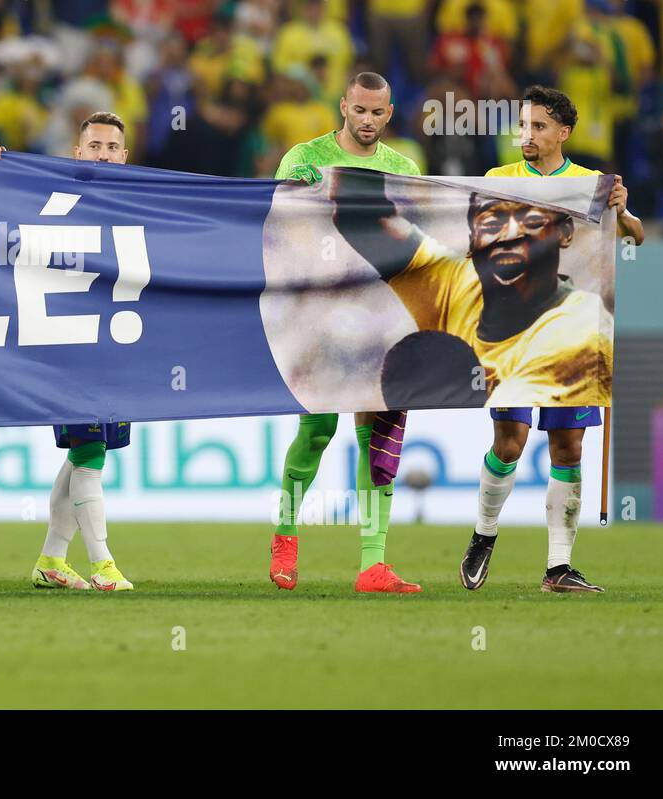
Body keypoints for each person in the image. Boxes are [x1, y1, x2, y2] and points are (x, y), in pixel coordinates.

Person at [460, 85, 643, 594]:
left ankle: (558, 569)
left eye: (538, 127)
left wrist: (623, 213)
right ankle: (484, 535)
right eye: (523, 126)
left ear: (563, 132)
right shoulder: (499, 180)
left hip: (574, 333)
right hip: (512, 334)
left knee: (568, 446)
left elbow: (636, 235)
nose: (527, 135)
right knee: (510, 442)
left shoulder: (590, 183)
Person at [270, 71, 424, 594]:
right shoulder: (304, 160)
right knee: (316, 432)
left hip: (382, 317)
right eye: (359, 110)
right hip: (316, 313)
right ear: (343, 106)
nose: (367, 120)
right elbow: (281, 227)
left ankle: (373, 565)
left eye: (377, 112)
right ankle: (286, 536)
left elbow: (415, 240)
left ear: (389, 113)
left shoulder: (404, 168)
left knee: (378, 438)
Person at [0, 113, 137, 592]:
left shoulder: (142, 201)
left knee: (86, 455)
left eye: (112, 147)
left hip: (115, 346)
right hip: (69, 343)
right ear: (77, 152)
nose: (104, 154)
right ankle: (103, 563)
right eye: (94, 146)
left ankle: (52, 558)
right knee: (90, 451)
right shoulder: (53, 193)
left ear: (125, 156)